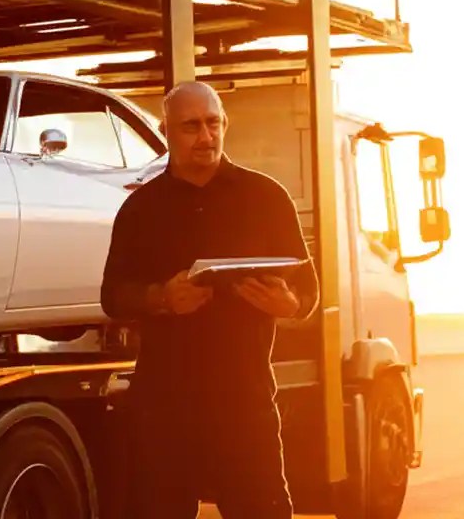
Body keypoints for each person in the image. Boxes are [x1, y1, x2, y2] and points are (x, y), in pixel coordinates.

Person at [100, 80, 319, 519]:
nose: (205, 136)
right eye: (191, 127)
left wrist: (286, 303)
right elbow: (112, 295)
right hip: (165, 405)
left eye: (213, 123)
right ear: (166, 132)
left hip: (245, 400)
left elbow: (308, 289)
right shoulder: (141, 209)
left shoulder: (267, 197)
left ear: (225, 124)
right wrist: (162, 297)